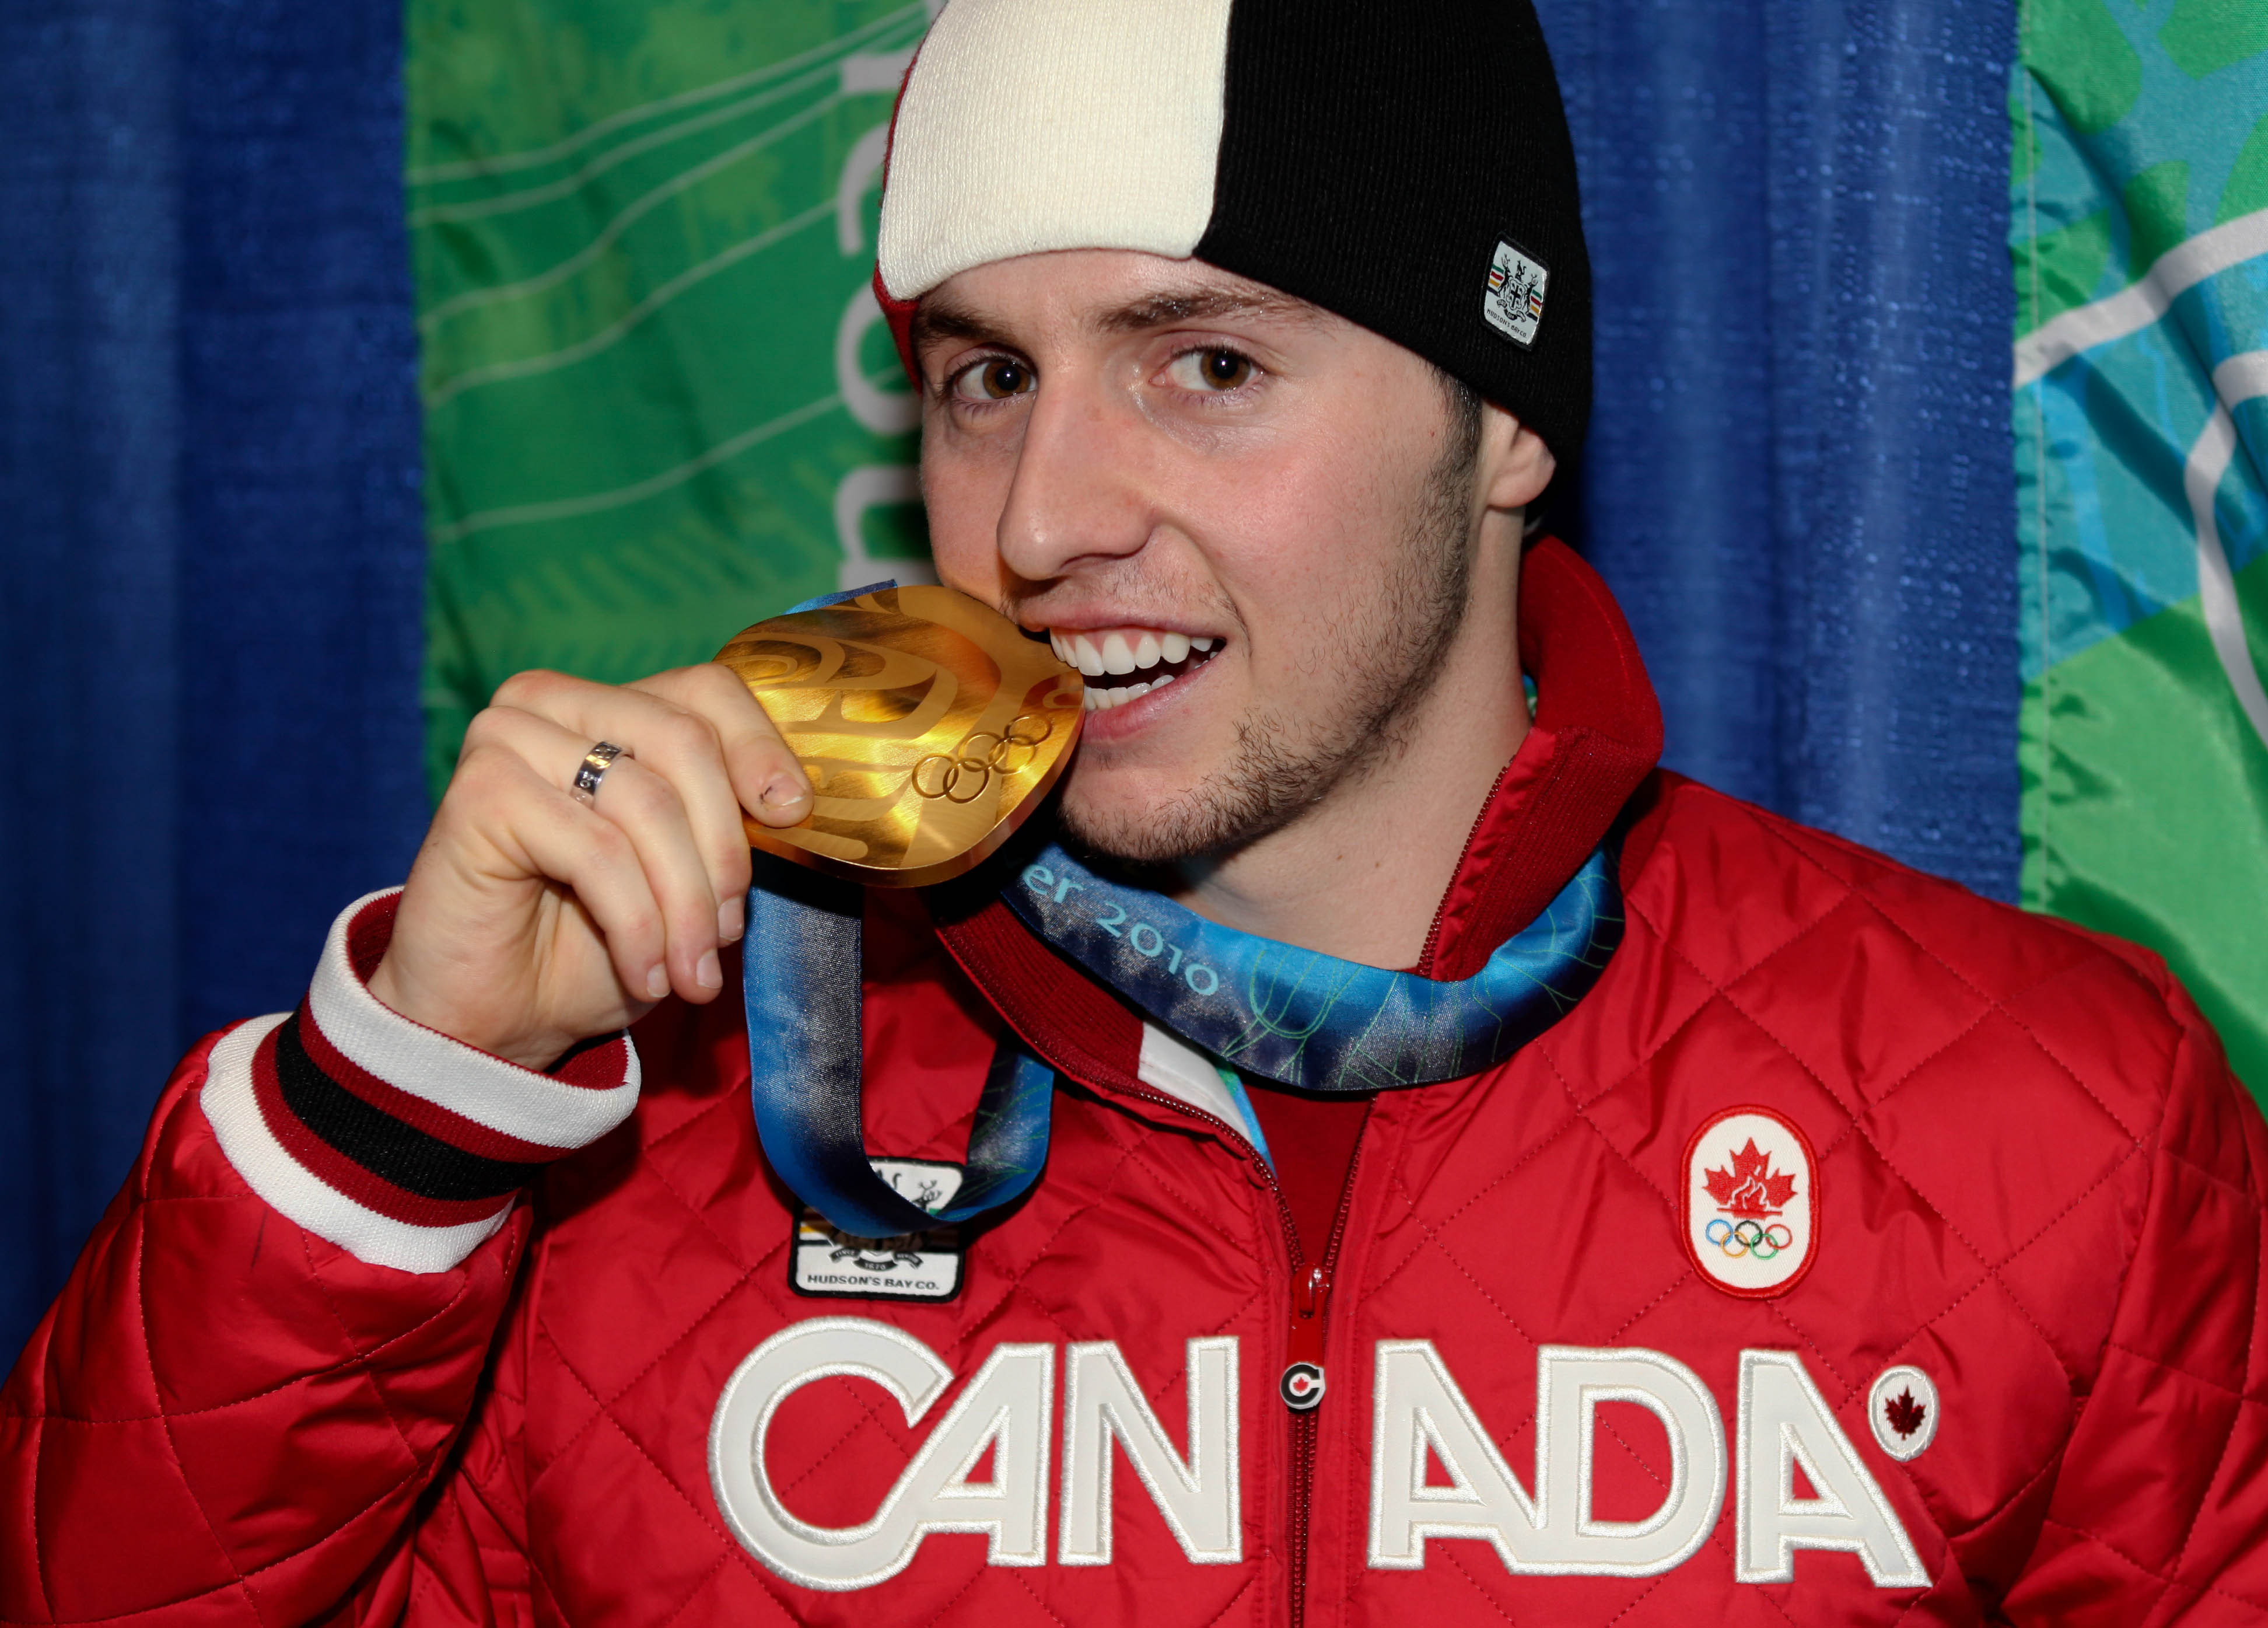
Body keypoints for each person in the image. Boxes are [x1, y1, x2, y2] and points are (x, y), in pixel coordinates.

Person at [8, 0, 2266, 1621]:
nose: (1046, 511)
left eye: (1206, 364)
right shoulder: (647, 1107)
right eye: (987, 373)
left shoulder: (2053, 1098)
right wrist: (400, 1104)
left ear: (1501, 420)